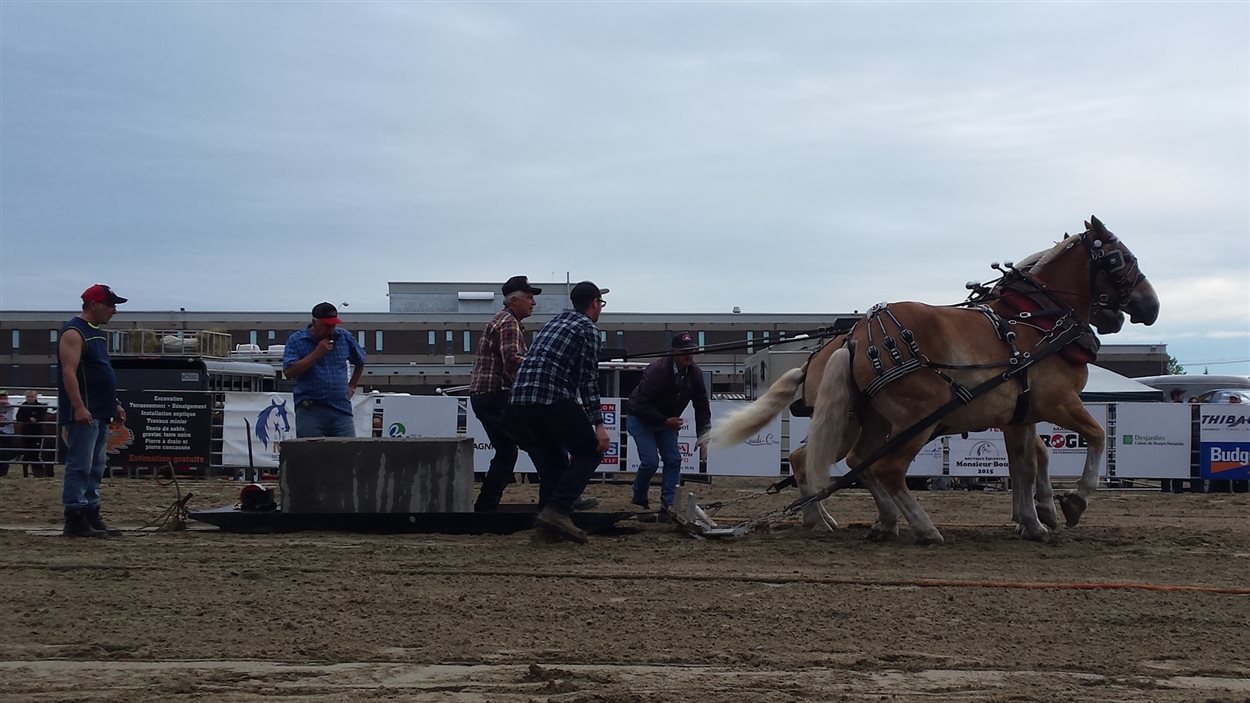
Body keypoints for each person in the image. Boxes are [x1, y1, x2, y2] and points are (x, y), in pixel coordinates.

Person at [510, 281, 611, 543]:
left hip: (520, 400)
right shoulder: (588, 329)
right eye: (601, 304)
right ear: (595, 304)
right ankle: (558, 511)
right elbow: (588, 379)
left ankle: (545, 526)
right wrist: (599, 425)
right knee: (589, 451)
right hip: (551, 396)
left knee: (553, 462)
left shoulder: (556, 322)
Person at [58, 284, 128, 537]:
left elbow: (100, 372)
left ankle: (90, 510)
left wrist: (114, 403)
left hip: (100, 409)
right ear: (94, 305)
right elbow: (69, 372)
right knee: (80, 464)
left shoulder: (95, 333)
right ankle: (75, 515)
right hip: (85, 411)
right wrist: (78, 406)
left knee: (96, 464)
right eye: (110, 305)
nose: (114, 311)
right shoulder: (74, 333)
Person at [468, 275, 541, 512]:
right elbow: (512, 360)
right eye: (529, 298)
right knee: (538, 442)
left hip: (484, 396)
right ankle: (560, 497)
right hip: (496, 395)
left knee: (507, 452)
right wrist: (539, 370)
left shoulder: (501, 320)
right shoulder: (509, 323)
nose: (533, 303)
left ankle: (486, 506)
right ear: (514, 301)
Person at [627, 331, 711, 513]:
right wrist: (665, 421)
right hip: (641, 418)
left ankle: (669, 504)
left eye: (692, 351)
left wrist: (704, 436)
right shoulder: (657, 370)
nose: (689, 355)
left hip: (667, 421)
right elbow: (640, 405)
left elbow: (702, 406)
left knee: (673, 459)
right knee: (650, 462)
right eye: (684, 351)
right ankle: (639, 497)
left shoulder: (695, 374)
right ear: (674, 352)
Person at [283, 302, 367, 438]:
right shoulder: (296, 340)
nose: (332, 329)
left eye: (334, 325)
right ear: (314, 322)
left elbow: (361, 361)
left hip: (341, 409)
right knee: (311, 455)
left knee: (348, 453)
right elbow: (289, 372)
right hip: (310, 410)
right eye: (327, 325)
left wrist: (352, 385)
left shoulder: (344, 337)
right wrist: (316, 354)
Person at [16, 390, 53, 477]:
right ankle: (26, 473)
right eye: (28, 397)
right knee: (28, 452)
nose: (30, 398)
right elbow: (19, 417)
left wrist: (36, 419)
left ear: (36, 397)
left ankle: (38, 473)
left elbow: (42, 417)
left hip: (37, 432)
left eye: (31, 397)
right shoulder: (23, 406)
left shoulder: (39, 407)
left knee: (36, 453)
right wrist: (29, 419)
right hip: (26, 432)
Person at [0, 390, 13, 477]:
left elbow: (7, 420)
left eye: (4, 397)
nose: (3, 399)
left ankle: (3, 472)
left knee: (5, 453)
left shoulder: (10, 406)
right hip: (4, 430)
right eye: (1, 397)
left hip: (7, 431)